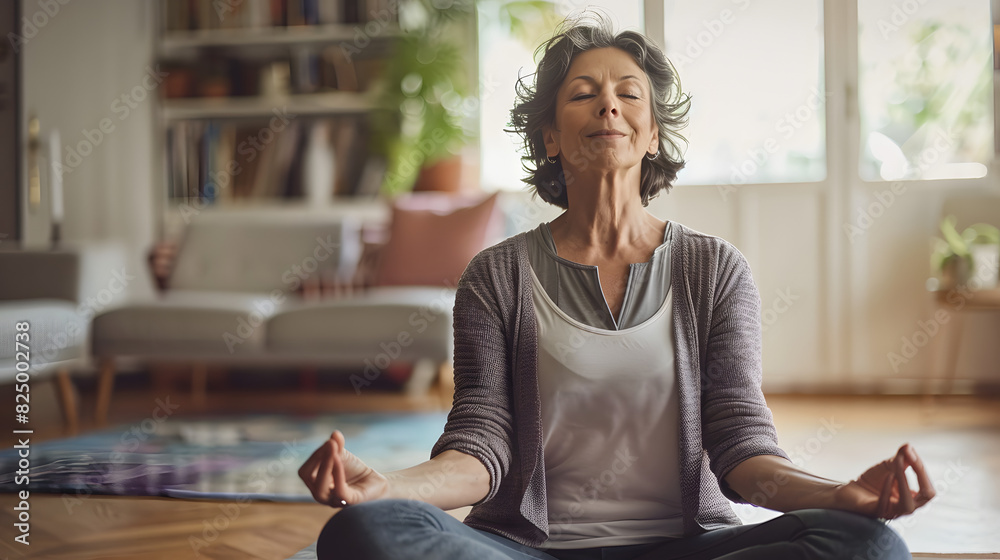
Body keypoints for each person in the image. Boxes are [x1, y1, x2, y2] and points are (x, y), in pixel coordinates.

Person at [299, 12, 932, 560]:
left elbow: (742, 449)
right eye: (583, 95)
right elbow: (479, 448)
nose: (609, 105)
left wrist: (839, 493)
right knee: (364, 532)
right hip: (530, 549)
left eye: (630, 95)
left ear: (652, 134)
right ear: (549, 136)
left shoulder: (714, 271)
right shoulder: (496, 277)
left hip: (688, 548)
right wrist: (384, 486)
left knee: (868, 544)